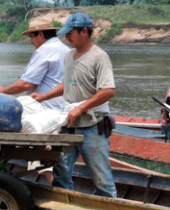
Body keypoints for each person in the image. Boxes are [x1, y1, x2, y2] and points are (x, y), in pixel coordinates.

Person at [32, 12, 117, 198]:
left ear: (84, 31)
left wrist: (81, 108)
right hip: (69, 124)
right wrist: (44, 96)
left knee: (102, 179)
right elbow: (67, 83)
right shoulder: (69, 55)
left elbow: (108, 91)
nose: (66, 37)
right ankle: (66, 208)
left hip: (92, 127)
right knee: (61, 173)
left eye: (70, 33)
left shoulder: (99, 57)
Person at [0, 17, 67, 110]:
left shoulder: (44, 50)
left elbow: (25, 84)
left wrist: (1, 90)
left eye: (32, 37)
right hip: (63, 107)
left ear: (40, 34)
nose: (31, 41)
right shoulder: (65, 49)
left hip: (47, 109)